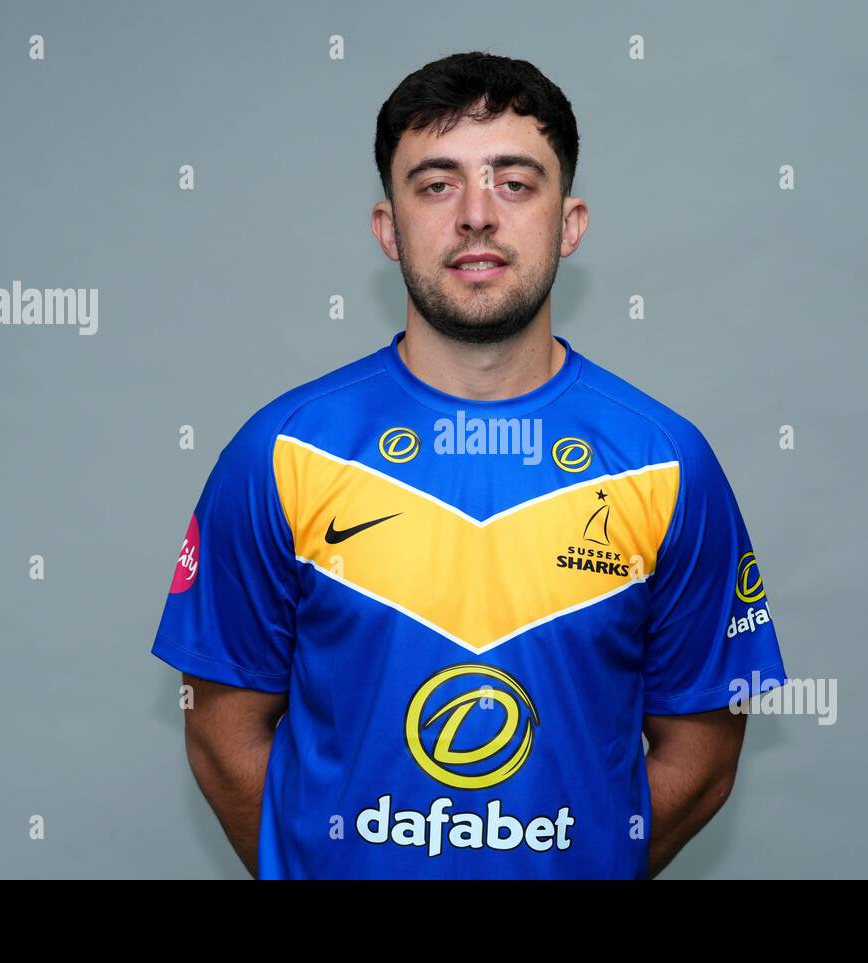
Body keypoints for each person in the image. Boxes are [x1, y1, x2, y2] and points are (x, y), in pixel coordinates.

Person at [151, 51, 787, 879]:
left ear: (570, 222)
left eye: (516, 183)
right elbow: (221, 734)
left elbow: (701, 754)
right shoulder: (281, 453)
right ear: (389, 227)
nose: (477, 216)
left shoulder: (666, 463)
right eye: (437, 183)